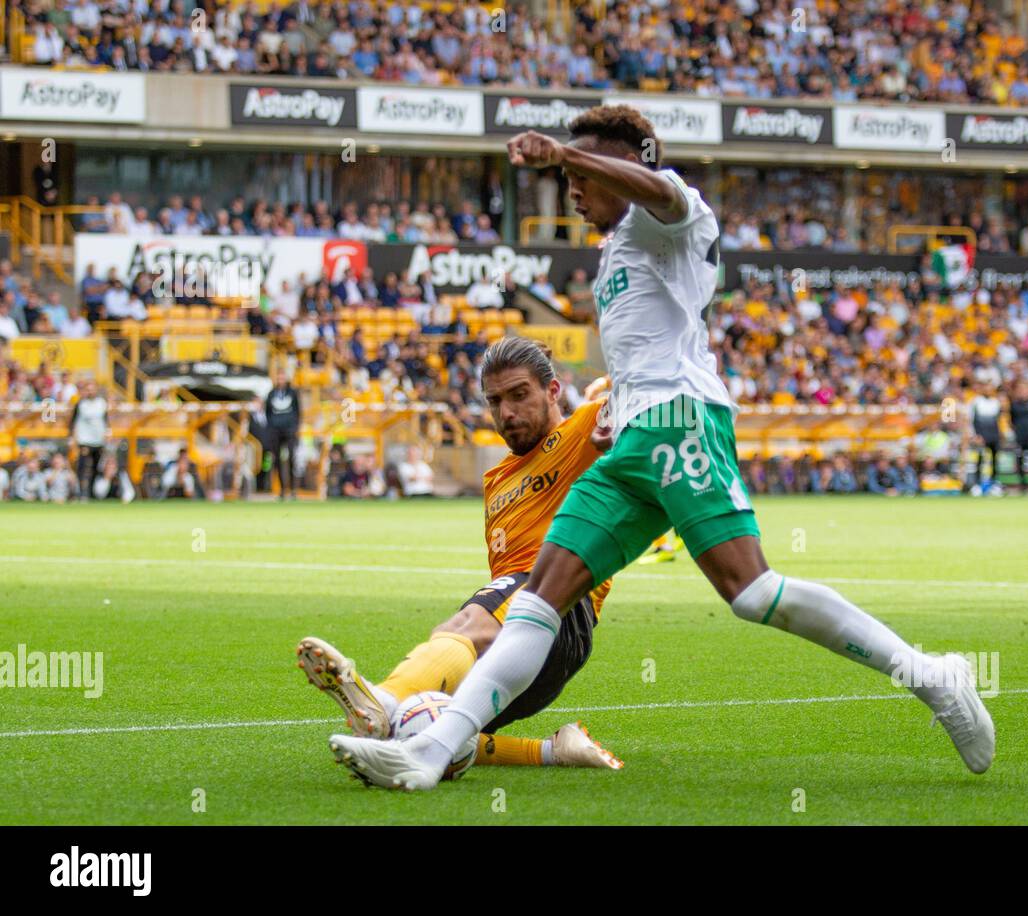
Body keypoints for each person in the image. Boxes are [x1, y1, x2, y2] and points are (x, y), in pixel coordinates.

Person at [328, 106, 994, 789]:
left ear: (627, 167)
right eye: (566, 177)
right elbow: (645, 347)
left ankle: (930, 673)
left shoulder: (675, 217)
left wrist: (568, 151)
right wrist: (616, 405)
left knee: (752, 592)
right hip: (631, 447)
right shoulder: (614, 251)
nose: (572, 189)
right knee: (535, 602)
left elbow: (662, 191)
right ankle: (429, 753)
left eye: (581, 174)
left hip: (681, 422)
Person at [300, 337, 621, 772]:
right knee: (421, 719)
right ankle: (553, 750)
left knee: (461, 626)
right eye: (495, 401)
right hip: (527, 643)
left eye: (520, 394)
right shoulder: (497, 481)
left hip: (559, 603)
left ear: (553, 391)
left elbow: (638, 392)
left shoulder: (582, 431)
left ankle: (382, 697)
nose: (507, 412)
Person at [69, 380, 109, 499]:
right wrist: (71, 438)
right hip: (84, 440)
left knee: (97, 467)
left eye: (93, 388)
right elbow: (73, 422)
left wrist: (108, 432)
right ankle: (82, 492)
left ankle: (92, 492)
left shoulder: (102, 403)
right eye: (88, 389)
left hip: (98, 440)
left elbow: (106, 420)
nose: (91, 391)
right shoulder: (81, 404)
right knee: (82, 466)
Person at [265, 371, 300, 500]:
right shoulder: (271, 394)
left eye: (282, 378)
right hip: (276, 431)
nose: (281, 380)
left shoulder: (292, 393)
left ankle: (292, 489)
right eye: (279, 378)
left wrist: (295, 427)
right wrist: (271, 428)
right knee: (277, 461)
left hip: (289, 430)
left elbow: (297, 411)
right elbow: (268, 413)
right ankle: (281, 490)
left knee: (292, 459)